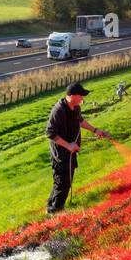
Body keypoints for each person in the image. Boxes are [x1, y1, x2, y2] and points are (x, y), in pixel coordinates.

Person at [44, 82, 111, 215]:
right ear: (73, 96)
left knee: (65, 180)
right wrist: (68, 145)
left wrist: (96, 130)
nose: (83, 99)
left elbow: (80, 121)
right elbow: (50, 133)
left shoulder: (75, 107)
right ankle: (55, 211)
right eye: (81, 96)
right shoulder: (59, 110)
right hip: (61, 153)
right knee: (62, 181)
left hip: (71, 151)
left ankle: (51, 206)